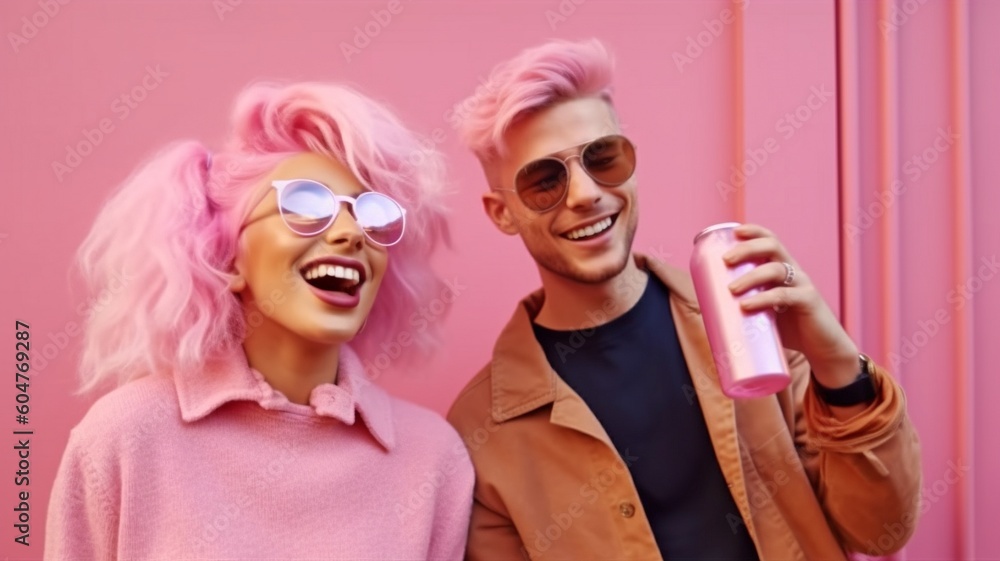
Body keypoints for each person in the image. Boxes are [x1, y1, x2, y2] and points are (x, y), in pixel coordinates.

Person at [446, 39, 921, 560]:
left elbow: (880, 530)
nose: (584, 194)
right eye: (543, 181)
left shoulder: (750, 321)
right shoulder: (480, 433)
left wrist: (835, 362)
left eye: (603, 157)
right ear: (501, 213)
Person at [45, 81, 473, 560]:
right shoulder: (125, 437)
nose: (352, 234)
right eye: (307, 205)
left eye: (371, 215)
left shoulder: (432, 457)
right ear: (227, 257)